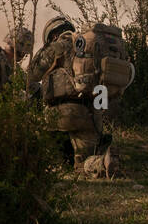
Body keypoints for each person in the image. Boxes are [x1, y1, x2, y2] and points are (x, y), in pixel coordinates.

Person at [26, 16, 121, 177]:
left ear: (52, 35)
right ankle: (101, 162)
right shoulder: (88, 49)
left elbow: (32, 74)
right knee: (86, 160)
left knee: (54, 161)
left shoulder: (59, 45)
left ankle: (61, 165)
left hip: (60, 114)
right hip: (91, 114)